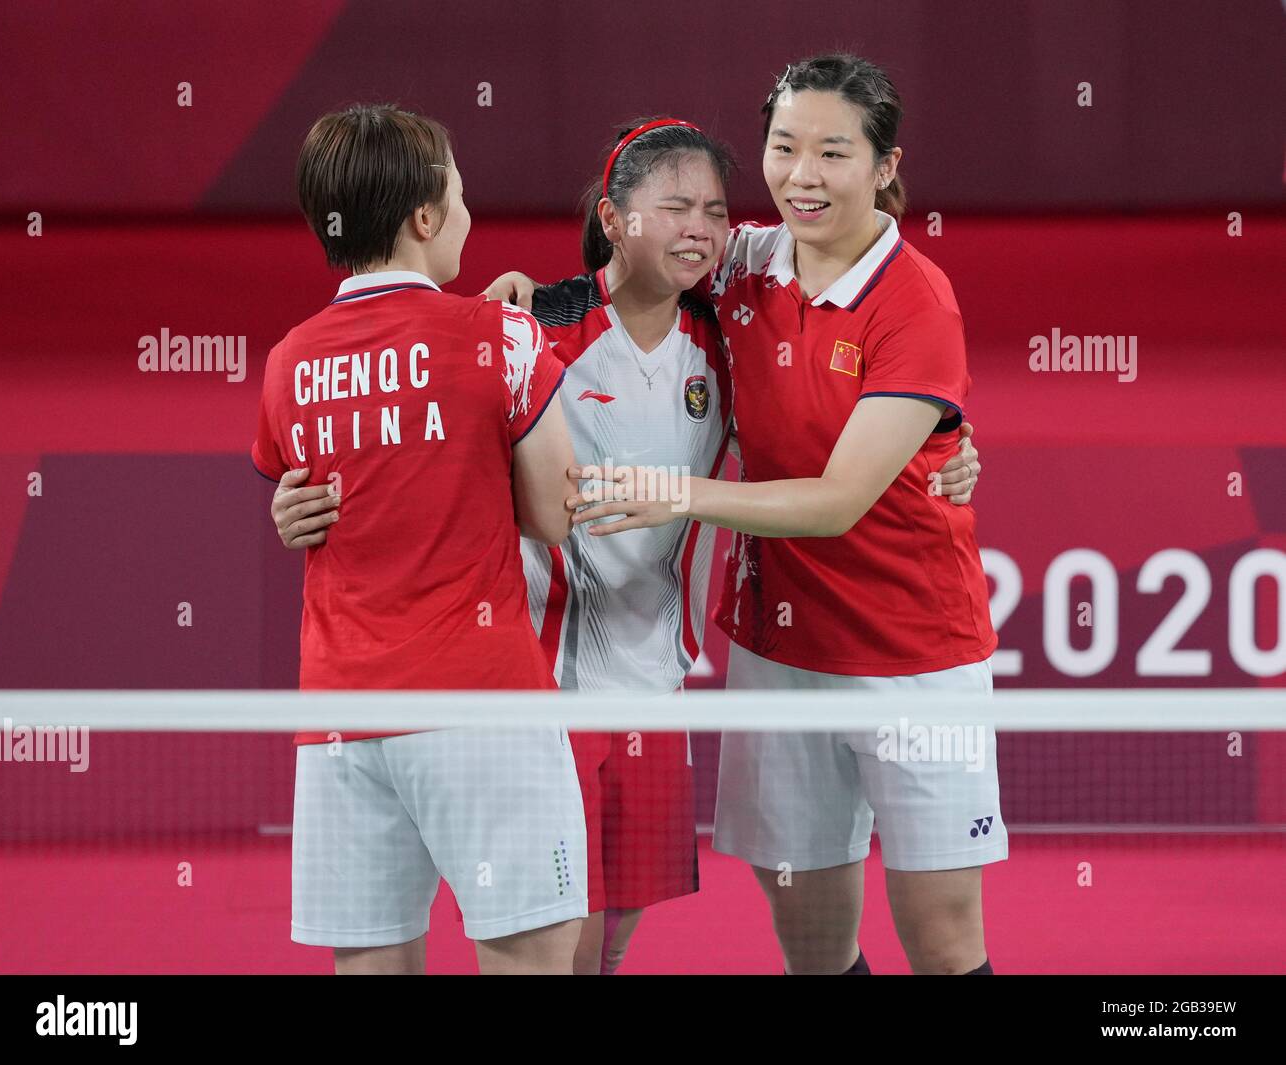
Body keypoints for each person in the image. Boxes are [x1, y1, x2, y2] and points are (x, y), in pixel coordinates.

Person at [272, 111, 982, 976]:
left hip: (653, 690)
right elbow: (418, 431)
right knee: (553, 949)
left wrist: (948, 448)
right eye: (675, 207)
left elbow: (844, 404)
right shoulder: (536, 330)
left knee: (606, 945)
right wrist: (297, 500)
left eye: (717, 212)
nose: (702, 229)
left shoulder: (728, 341)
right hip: (547, 692)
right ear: (614, 221)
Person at [570, 54, 1004, 976]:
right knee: (811, 942)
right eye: (783, 147)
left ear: (886, 165)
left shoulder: (915, 302)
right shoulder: (747, 263)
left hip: (912, 655)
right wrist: (527, 300)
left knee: (943, 938)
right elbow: (638, 261)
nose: (802, 176)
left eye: (833, 153)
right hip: (780, 651)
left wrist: (671, 493)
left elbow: (839, 501)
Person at [251, 104, 586, 975]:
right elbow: (555, 513)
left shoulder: (288, 360)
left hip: (341, 724)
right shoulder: (501, 336)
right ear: (425, 217)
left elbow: (313, 490)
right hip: (484, 713)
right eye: (463, 196)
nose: (471, 215)